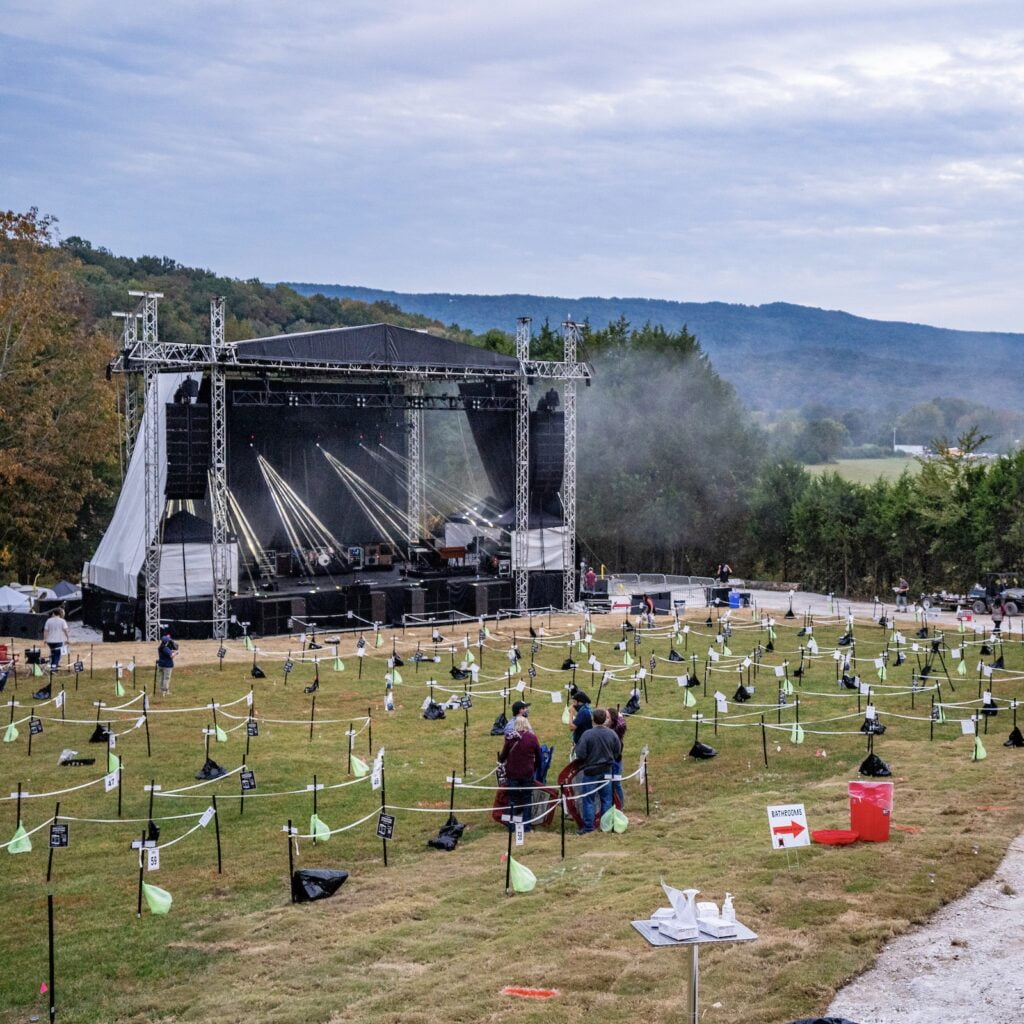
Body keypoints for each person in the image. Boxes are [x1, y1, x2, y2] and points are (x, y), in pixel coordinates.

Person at [573, 708, 622, 834]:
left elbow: (580, 754)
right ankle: (605, 826)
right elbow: (617, 752)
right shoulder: (612, 734)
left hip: (591, 772)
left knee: (588, 799)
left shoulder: (587, 734)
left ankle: (589, 827)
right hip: (607, 770)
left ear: (593, 719)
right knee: (606, 798)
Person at [498, 715, 541, 830]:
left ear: (516, 725)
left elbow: (502, 757)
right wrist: (534, 767)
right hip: (527, 772)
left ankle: (511, 825)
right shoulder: (532, 738)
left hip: (512, 773)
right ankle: (526, 826)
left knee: (512, 799)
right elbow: (539, 756)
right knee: (527, 799)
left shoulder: (510, 738)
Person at [607, 705, 627, 809]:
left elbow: (622, 724)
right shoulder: (611, 728)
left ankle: (620, 806)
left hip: (615, 761)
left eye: (608, 717)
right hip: (610, 761)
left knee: (616, 784)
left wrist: (619, 716)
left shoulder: (617, 729)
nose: (606, 720)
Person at [42, 607, 70, 672]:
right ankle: (54, 668)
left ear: (54, 613)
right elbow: (66, 630)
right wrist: (68, 638)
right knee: (57, 654)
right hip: (59, 640)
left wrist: (45, 639)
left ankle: (53, 665)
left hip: (50, 641)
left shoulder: (48, 620)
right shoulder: (62, 621)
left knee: (53, 653)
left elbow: (45, 631)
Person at [157, 630, 178, 695]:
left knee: (161, 678)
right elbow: (171, 656)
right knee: (166, 678)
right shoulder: (165, 648)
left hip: (161, 664)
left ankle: (161, 690)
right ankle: (165, 691)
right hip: (167, 666)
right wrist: (176, 653)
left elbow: (168, 651)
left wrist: (171, 651)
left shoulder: (160, 647)